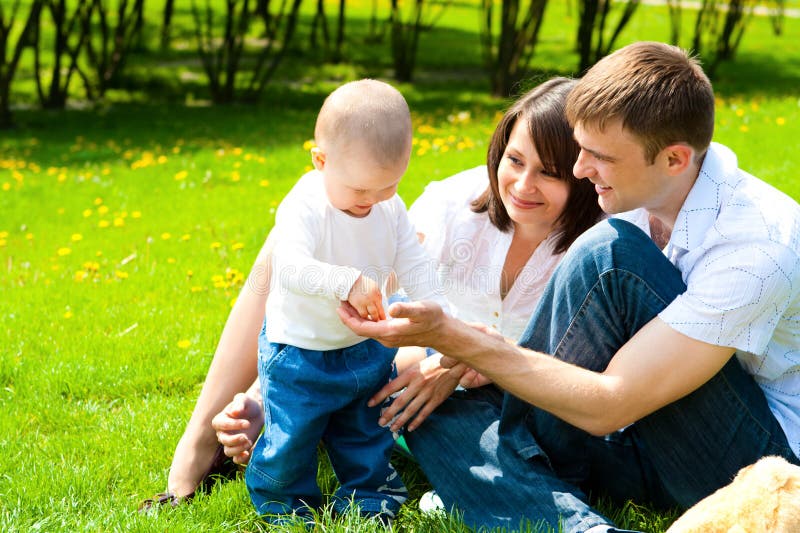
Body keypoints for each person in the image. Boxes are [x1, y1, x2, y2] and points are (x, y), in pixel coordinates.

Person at [339, 41, 800, 533]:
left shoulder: (758, 244)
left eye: (599, 157)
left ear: (674, 159)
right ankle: (577, 521)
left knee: (607, 253)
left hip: (753, 460)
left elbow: (612, 402)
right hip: (641, 432)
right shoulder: (639, 191)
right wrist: (467, 361)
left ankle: (506, 478)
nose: (581, 170)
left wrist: (463, 342)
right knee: (430, 401)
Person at [140, 77, 603, 514]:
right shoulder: (455, 205)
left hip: (484, 402)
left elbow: (575, 371)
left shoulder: (595, 250)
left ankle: (333, 445)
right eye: (515, 160)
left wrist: (464, 358)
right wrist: (267, 391)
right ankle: (228, 429)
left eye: (550, 173)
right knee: (301, 238)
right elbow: (388, 276)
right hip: (381, 369)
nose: (522, 185)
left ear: (582, 175)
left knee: (420, 405)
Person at [244, 78, 457, 523]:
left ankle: (369, 494)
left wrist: (437, 308)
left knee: (365, 430)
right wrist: (347, 281)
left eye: (388, 187)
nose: (374, 201)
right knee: (293, 435)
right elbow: (288, 267)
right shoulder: (304, 204)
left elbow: (413, 262)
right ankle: (285, 501)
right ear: (321, 161)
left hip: (364, 348)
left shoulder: (387, 205)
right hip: (300, 350)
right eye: (362, 190)